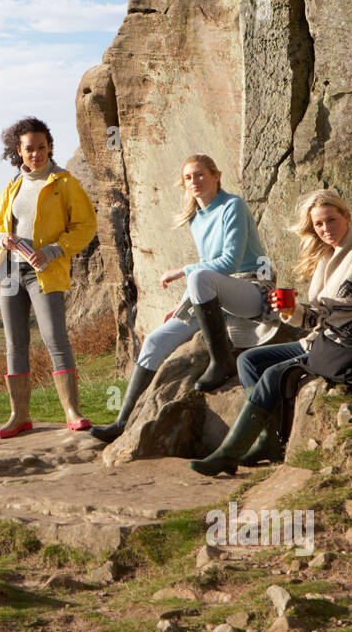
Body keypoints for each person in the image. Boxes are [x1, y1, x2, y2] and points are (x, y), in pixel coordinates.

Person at [190, 188, 352, 475]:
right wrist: (291, 311)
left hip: (350, 344)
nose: (325, 229)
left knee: (271, 374)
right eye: (319, 224)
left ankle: (229, 452)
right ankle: (269, 440)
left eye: (331, 220)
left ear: (346, 216)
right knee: (248, 361)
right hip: (321, 339)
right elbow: (318, 316)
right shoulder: (325, 256)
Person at [90, 154, 280, 443]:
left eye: (201, 174)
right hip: (213, 291)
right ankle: (121, 422)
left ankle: (222, 362)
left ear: (216, 176)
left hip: (251, 289)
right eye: (189, 177)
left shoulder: (233, 206)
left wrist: (182, 272)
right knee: (155, 341)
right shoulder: (196, 217)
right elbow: (206, 265)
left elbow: (228, 263)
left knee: (198, 278)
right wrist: (182, 303)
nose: (194, 181)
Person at [0, 116, 97, 437]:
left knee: (55, 338)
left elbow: (85, 226)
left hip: (44, 272)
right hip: (9, 271)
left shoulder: (65, 183)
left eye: (42, 148)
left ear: (50, 148)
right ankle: (19, 416)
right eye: (29, 149)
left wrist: (53, 250)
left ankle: (73, 412)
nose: (36, 154)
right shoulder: (13, 186)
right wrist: (2, 239)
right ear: (18, 152)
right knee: (15, 344)